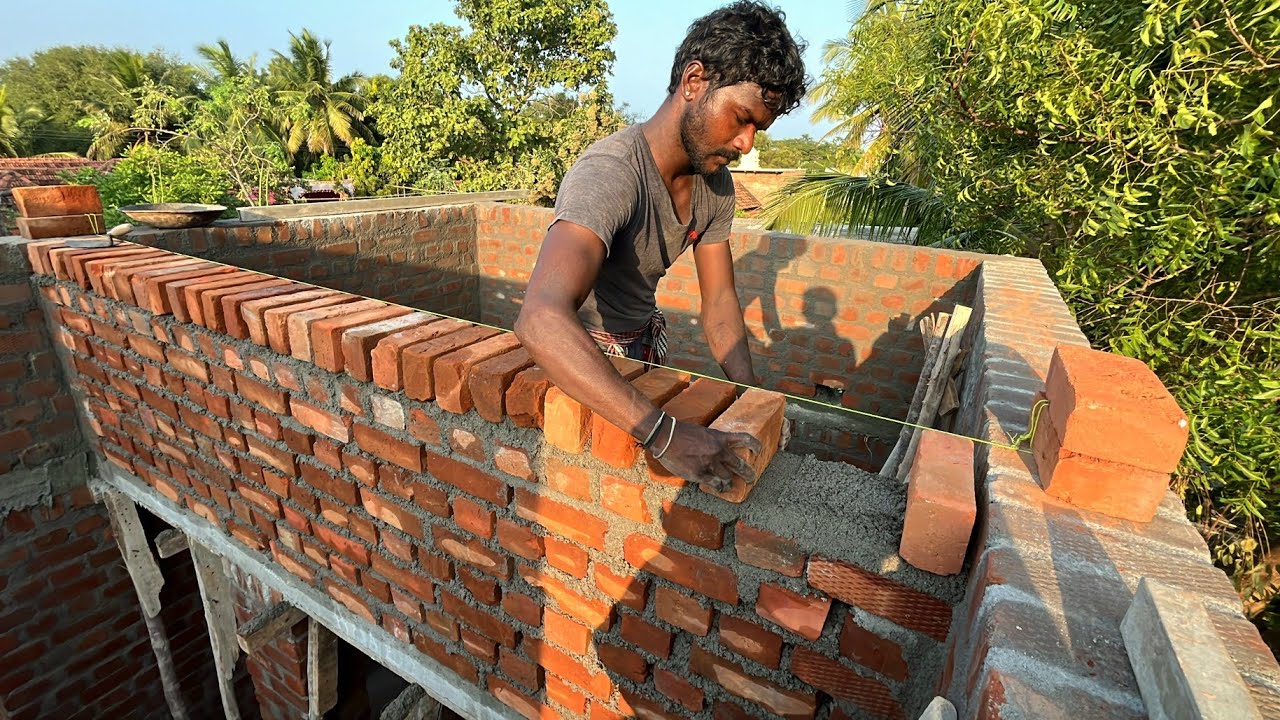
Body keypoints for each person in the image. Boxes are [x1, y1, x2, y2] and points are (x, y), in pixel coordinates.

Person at [514, 1, 809, 490]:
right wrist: (665, 435)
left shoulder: (714, 188)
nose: (747, 144)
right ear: (694, 82)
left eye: (758, 128)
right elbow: (540, 318)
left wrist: (750, 398)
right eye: (741, 118)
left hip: (644, 344)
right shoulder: (611, 173)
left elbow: (718, 303)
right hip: (583, 355)